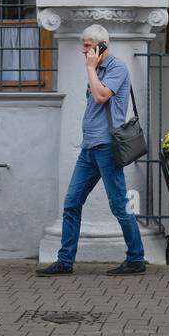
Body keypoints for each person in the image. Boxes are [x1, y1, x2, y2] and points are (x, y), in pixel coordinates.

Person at [37, 24, 146, 276]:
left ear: (101, 46)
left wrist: (90, 68)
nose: (83, 51)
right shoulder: (96, 69)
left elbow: (100, 97)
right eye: (83, 45)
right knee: (71, 203)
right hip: (89, 149)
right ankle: (65, 261)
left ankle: (136, 259)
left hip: (107, 147)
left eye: (87, 46)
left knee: (119, 204)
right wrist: (92, 68)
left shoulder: (116, 67)